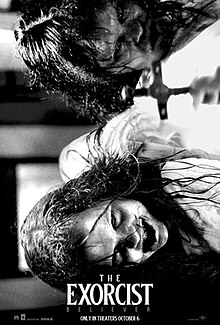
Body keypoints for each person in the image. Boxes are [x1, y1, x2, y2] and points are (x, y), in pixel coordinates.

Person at [14, 0, 220, 122]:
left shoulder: (168, 8)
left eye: (121, 12)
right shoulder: (178, 95)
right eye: (119, 48)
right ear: (109, 79)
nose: (137, 30)